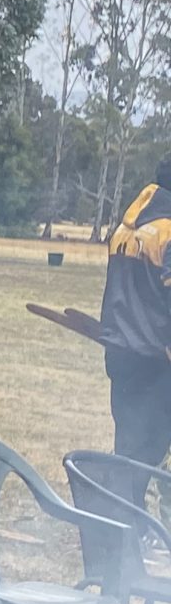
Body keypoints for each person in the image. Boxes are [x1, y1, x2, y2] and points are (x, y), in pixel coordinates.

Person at [97, 155, 171, 488]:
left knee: (128, 451)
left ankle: (119, 517)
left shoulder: (126, 229)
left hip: (121, 355)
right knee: (150, 457)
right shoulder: (168, 232)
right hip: (157, 364)